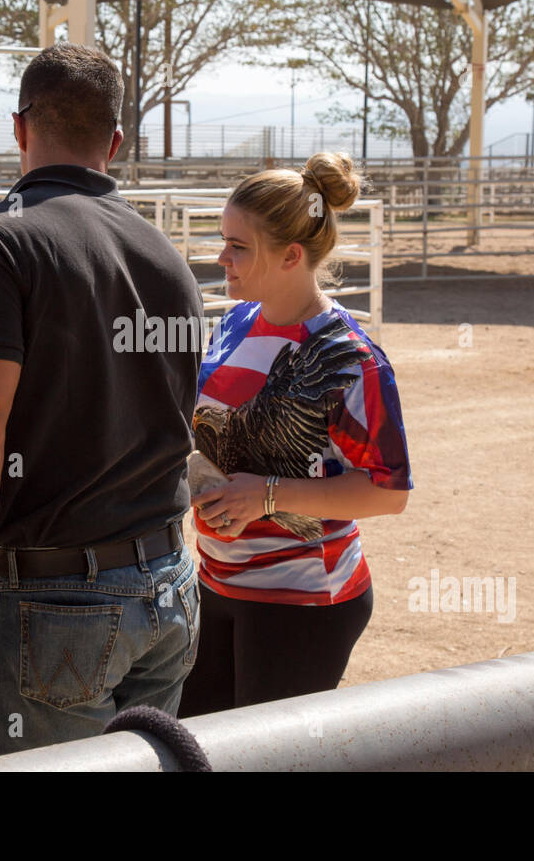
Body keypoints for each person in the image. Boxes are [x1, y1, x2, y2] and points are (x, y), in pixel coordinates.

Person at [0, 42, 204, 760]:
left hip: (58, 608)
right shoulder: (166, 256)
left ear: (19, 129)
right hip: (169, 591)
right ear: (116, 140)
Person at [177, 151, 413, 717]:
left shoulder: (348, 358)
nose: (221, 258)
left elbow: (389, 491)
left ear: (291, 255)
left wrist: (265, 496)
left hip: (303, 599)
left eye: (239, 246)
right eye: (223, 240)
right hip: (216, 584)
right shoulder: (234, 323)